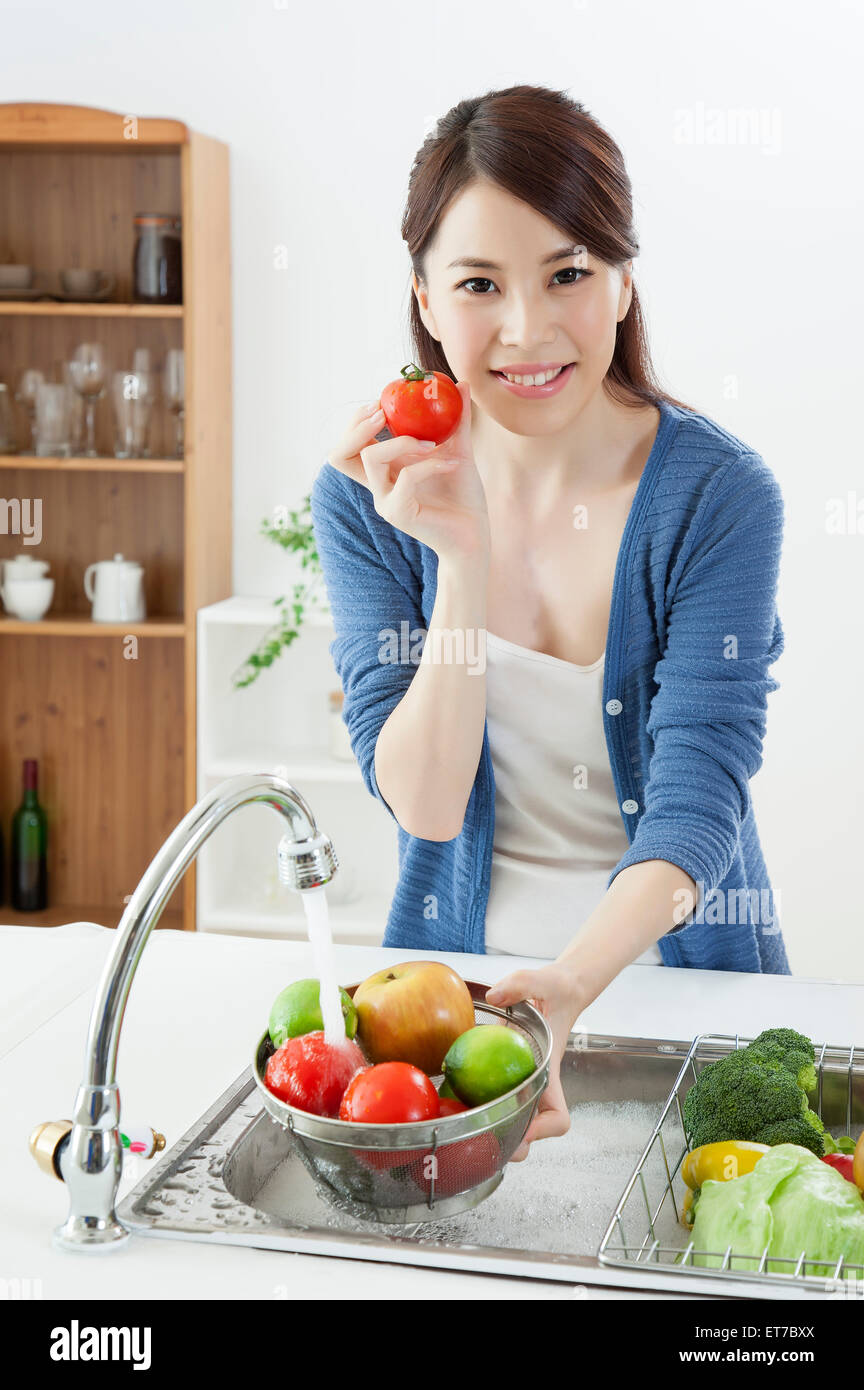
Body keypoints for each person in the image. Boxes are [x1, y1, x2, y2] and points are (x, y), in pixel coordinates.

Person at [310, 84, 787, 1160]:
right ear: (427, 300)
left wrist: (564, 989)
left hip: (674, 1000)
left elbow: (697, 805)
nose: (527, 330)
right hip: (451, 1018)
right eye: (479, 283)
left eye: (568, 273)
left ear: (622, 283)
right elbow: (426, 808)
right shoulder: (366, 494)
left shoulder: (718, 497)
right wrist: (461, 561)